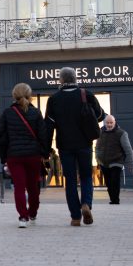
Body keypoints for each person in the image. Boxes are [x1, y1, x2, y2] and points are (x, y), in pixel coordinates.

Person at [44, 66, 105, 227]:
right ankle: (86, 203)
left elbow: (48, 126)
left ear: (61, 80)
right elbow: (100, 116)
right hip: (84, 143)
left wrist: (46, 149)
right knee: (86, 176)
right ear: (75, 79)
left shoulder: (54, 99)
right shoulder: (86, 94)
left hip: (65, 145)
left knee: (70, 180)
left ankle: (75, 217)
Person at [0, 83, 50, 227]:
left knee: (19, 187)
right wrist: (45, 153)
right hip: (33, 155)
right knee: (33, 187)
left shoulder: (7, 113)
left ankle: (23, 217)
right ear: (30, 95)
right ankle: (32, 213)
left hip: (14, 156)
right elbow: (43, 135)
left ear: (14, 95)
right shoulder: (36, 112)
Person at [95, 114, 133, 205]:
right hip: (104, 162)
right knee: (108, 182)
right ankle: (112, 198)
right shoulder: (100, 132)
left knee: (114, 181)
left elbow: (128, 149)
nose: (109, 125)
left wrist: (131, 164)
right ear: (104, 123)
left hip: (117, 161)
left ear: (115, 122)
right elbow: (97, 147)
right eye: (107, 123)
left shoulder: (121, 133)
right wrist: (97, 159)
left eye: (111, 123)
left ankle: (115, 200)